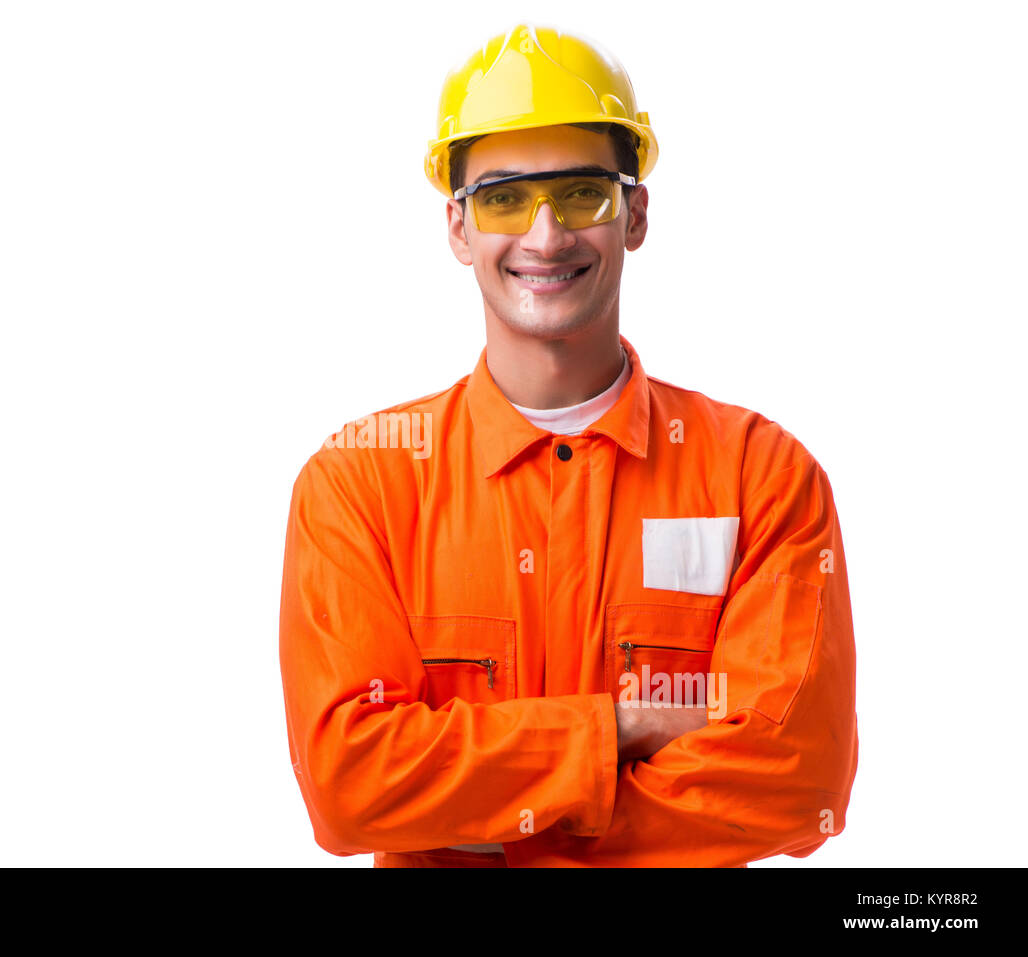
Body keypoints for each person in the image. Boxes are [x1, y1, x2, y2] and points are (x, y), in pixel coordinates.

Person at [277, 23, 858, 867]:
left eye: (582, 192)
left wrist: (485, 812)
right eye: (505, 198)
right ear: (458, 228)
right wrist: (624, 727)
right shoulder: (359, 484)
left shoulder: (762, 477)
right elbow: (347, 785)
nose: (545, 236)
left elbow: (797, 781)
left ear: (636, 214)